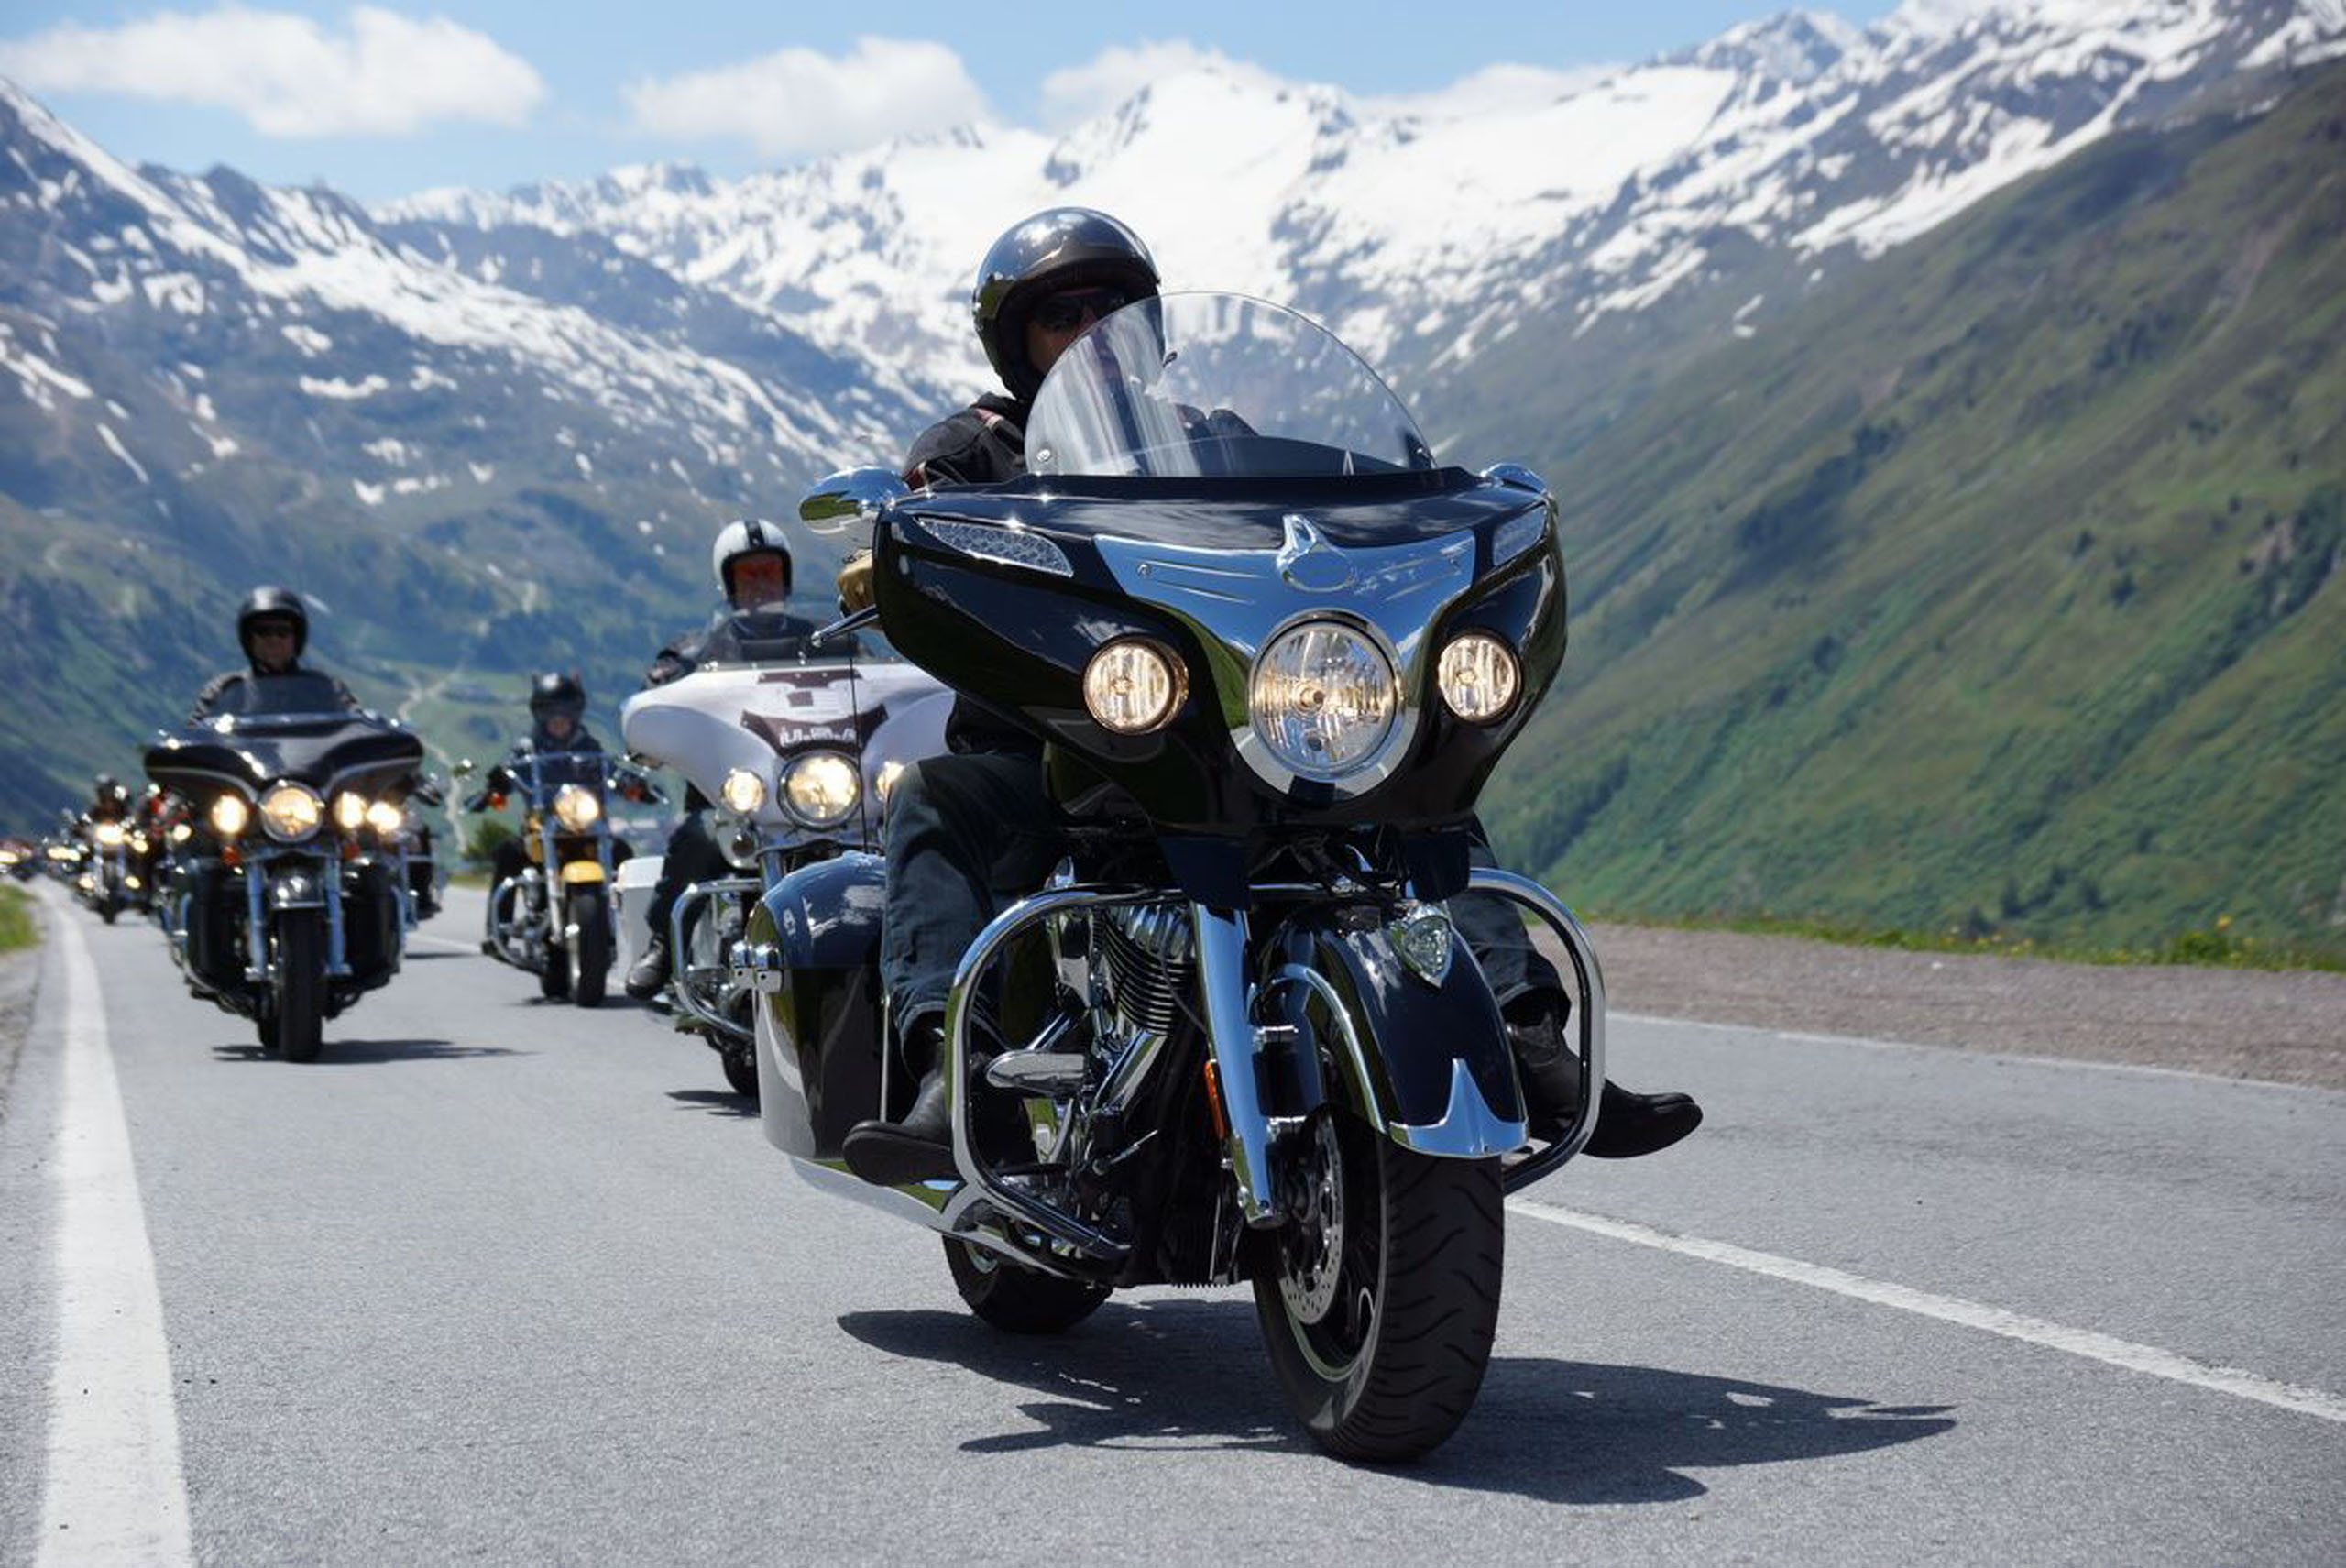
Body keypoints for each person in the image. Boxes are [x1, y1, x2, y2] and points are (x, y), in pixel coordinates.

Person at [839, 207, 1702, 1184]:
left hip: (1226, 743)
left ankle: (1528, 1038)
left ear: (1150, 330)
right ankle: (949, 1085)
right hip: (1056, 748)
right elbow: (922, 544)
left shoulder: (1218, 444)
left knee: (1423, 794)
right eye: (1061, 316)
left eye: (1110, 308)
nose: (1090, 332)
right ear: (1016, 344)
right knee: (934, 802)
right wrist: (896, 543)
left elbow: (1311, 542)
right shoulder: (967, 454)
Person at [624, 519, 839, 999]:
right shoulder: (696, 651)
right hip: (730, 796)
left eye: (767, 571)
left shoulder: (825, 639)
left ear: (784, 577)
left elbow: (869, 683)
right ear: (729, 583)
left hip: (813, 793)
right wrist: (658, 701)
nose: (760, 583)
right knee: (697, 837)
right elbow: (657, 695)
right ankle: (663, 943)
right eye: (748, 574)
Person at [479, 673, 632, 928]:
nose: (559, 719)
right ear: (539, 714)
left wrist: (630, 783)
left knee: (622, 853)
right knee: (508, 854)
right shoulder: (527, 749)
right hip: (542, 827)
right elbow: (511, 770)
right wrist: (496, 785)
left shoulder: (589, 746)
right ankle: (498, 930)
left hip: (586, 826)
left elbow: (609, 769)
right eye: (551, 712)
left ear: (576, 713)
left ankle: (630, 926)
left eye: (566, 711)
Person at [190, 586, 357, 721]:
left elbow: (360, 726)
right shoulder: (223, 691)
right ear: (249, 639)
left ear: (296, 639)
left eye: (282, 632)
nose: (273, 639)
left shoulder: (326, 689)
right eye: (263, 631)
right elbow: (195, 736)